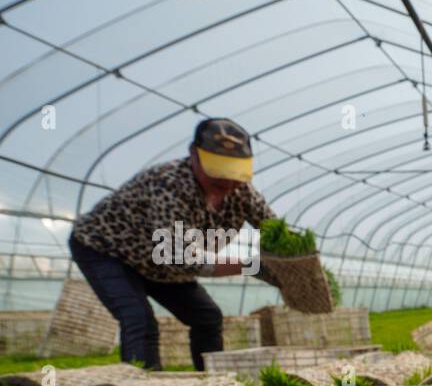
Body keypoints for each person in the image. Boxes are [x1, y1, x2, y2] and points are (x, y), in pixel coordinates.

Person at [68, 118, 276, 370]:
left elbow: (274, 231)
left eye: (234, 174)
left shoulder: (242, 192)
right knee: (139, 319)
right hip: (108, 251)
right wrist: (252, 266)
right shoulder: (170, 184)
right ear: (194, 155)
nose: (227, 183)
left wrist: (295, 263)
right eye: (217, 172)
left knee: (207, 317)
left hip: (159, 263)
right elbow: (179, 258)